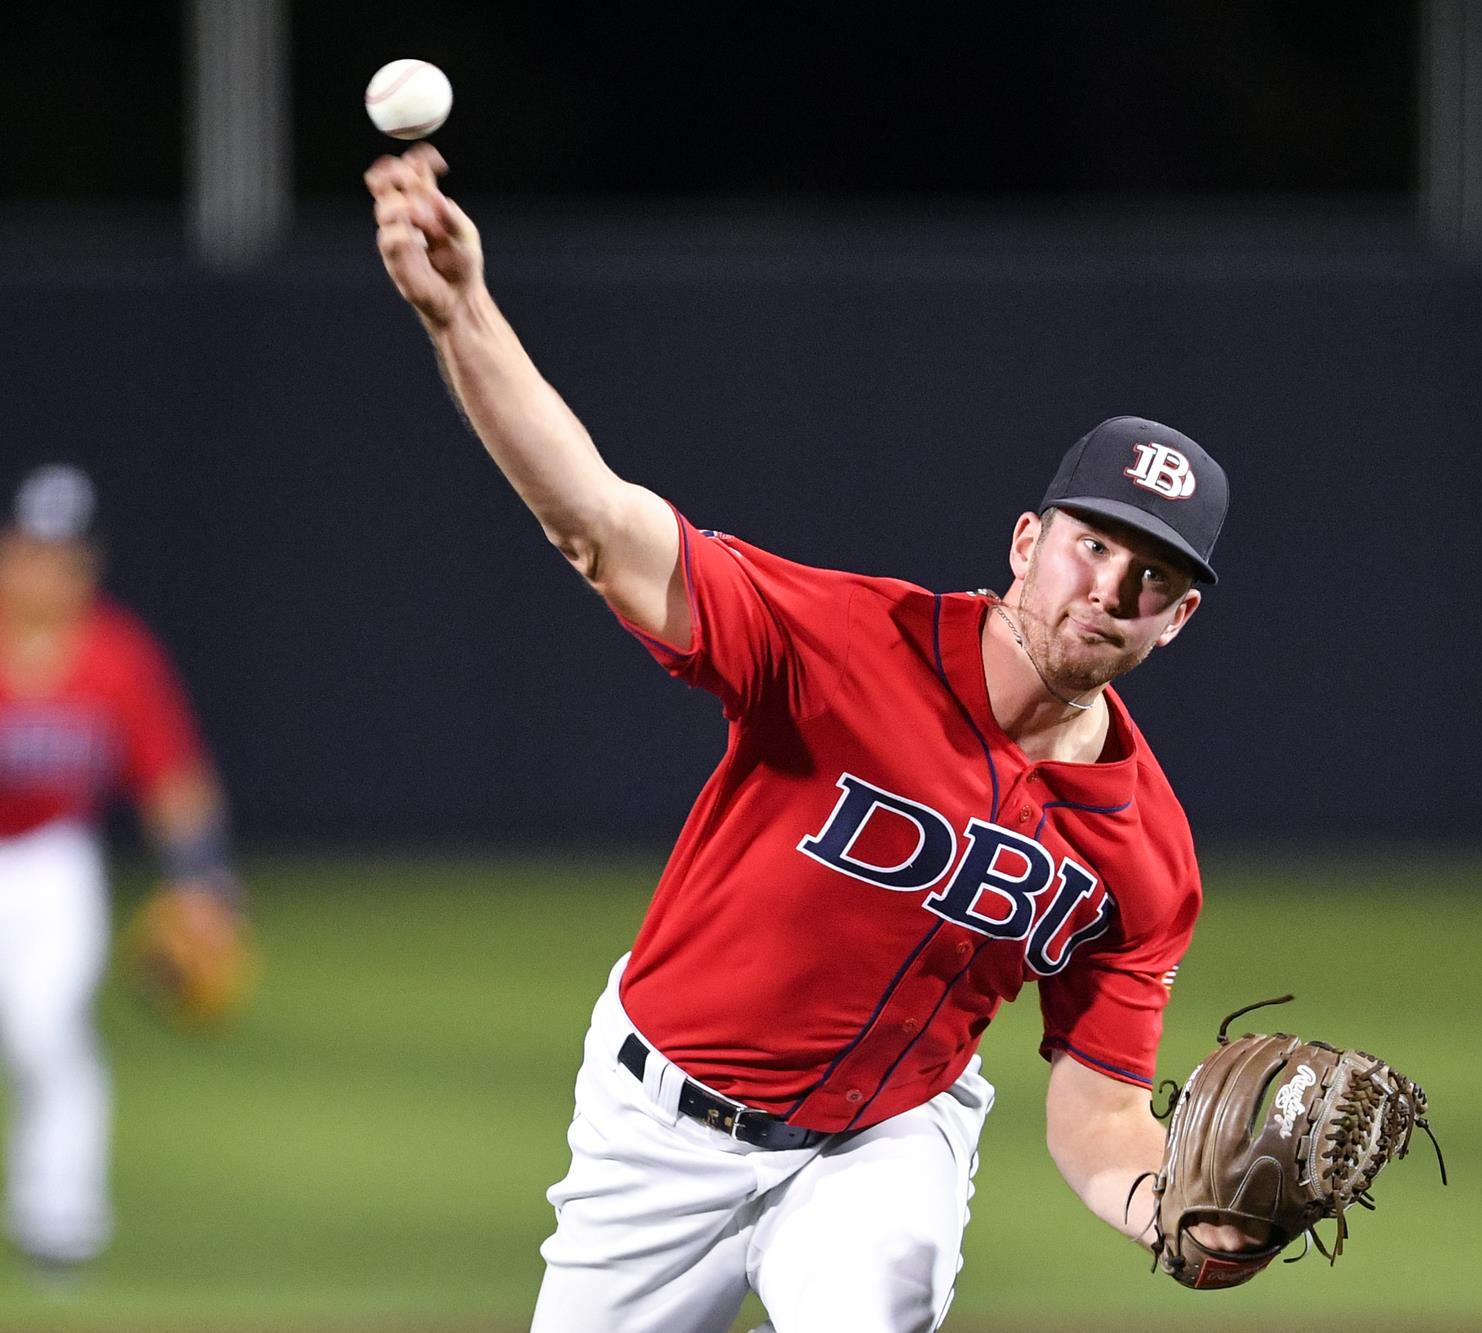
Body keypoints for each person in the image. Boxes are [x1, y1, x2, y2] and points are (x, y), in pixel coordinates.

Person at [367, 143, 1262, 1332]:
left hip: (883, 1145)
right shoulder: (844, 644)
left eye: (1149, 576)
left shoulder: (1145, 852)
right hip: (658, 1126)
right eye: (1089, 544)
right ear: (1024, 542)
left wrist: (1168, 1211)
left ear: (1176, 618)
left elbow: (1098, 1113)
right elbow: (597, 525)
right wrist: (463, 315)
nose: (1106, 587)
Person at [0, 464, 246, 1273]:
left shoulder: (117, 654)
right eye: (34, 550)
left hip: (55, 867)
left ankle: (60, 1222)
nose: (49, 569)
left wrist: (205, 881)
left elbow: (174, 780)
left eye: (67, 555)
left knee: (45, 1027)